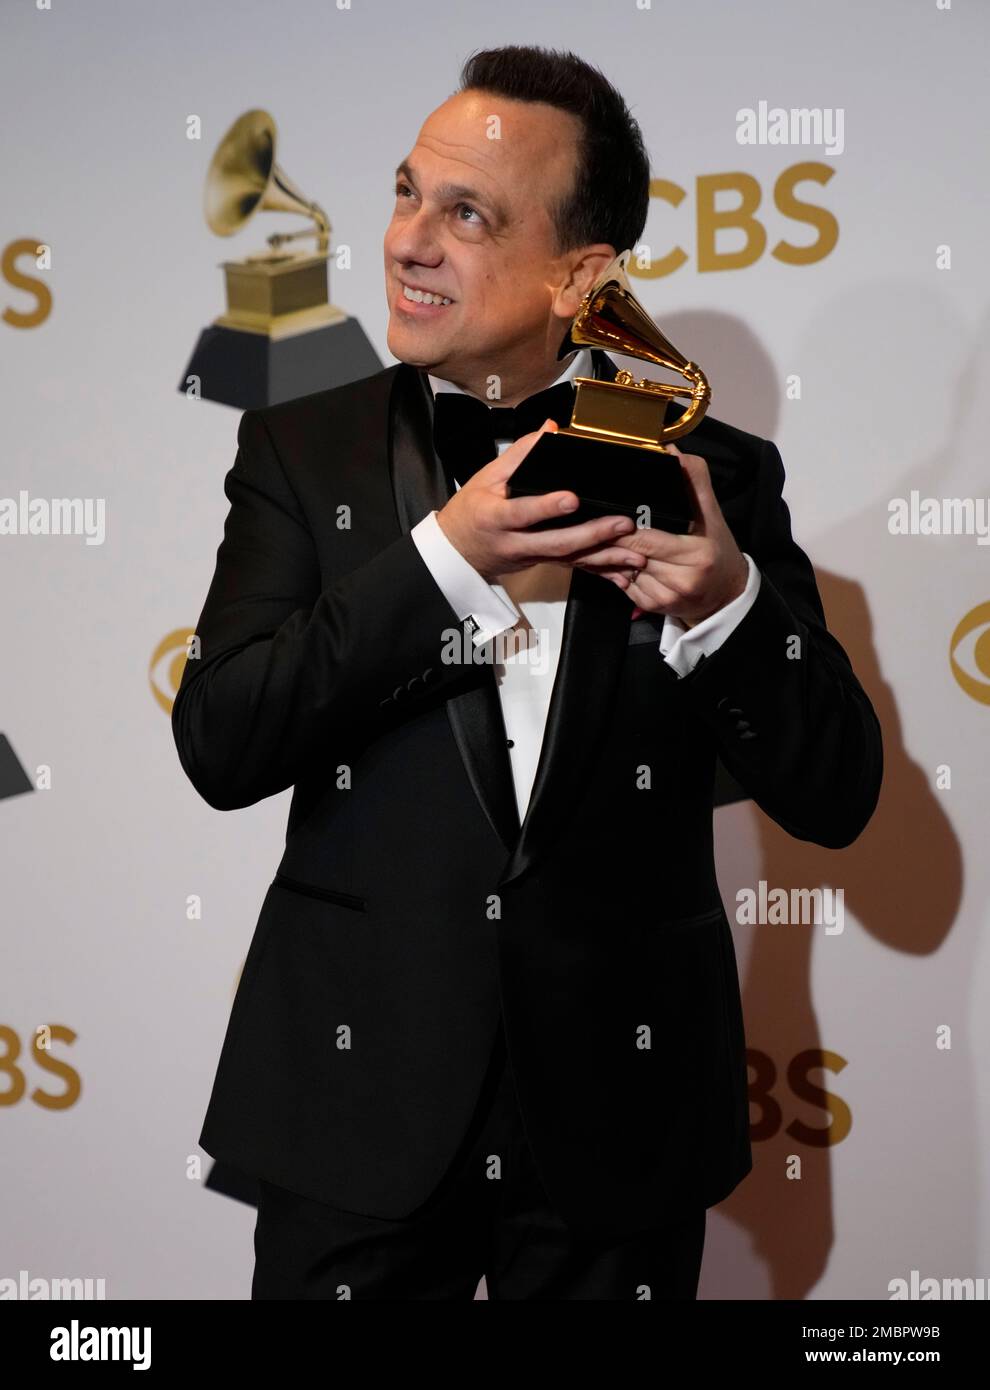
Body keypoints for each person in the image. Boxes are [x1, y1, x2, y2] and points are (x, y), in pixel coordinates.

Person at [171, 44, 883, 1300]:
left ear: (583, 276)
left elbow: (837, 794)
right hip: (356, 1110)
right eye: (404, 193)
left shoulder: (715, 474)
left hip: (622, 1120)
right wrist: (446, 557)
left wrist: (727, 603)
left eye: (466, 213)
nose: (405, 241)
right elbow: (224, 739)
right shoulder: (299, 450)